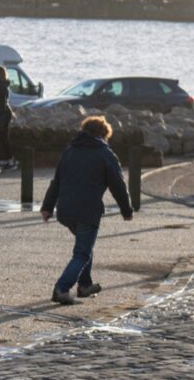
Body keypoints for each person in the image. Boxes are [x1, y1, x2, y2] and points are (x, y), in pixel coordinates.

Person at [41, 115, 133, 305]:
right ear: (104, 134)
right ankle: (62, 288)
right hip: (87, 211)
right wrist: (127, 210)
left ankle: (85, 285)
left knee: (84, 246)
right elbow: (118, 185)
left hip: (65, 210)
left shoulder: (70, 150)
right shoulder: (105, 153)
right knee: (82, 253)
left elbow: (57, 180)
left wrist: (47, 207)